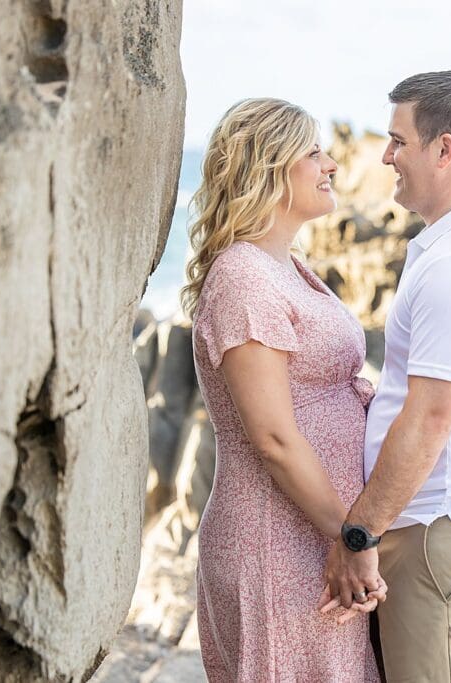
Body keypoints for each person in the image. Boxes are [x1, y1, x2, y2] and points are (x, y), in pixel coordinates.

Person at [321, 71, 451, 682]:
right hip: (442, 529)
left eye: (398, 141)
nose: (385, 156)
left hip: (445, 532)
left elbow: (430, 421)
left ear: (445, 150)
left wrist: (360, 535)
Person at [182, 98, 384, 683]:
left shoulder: (287, 267)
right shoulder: (242, 277)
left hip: (314, 535)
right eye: (314, 152)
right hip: (277, 542)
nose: (332, 165)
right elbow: (272, 437)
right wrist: (351, 538)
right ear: (269, 167)